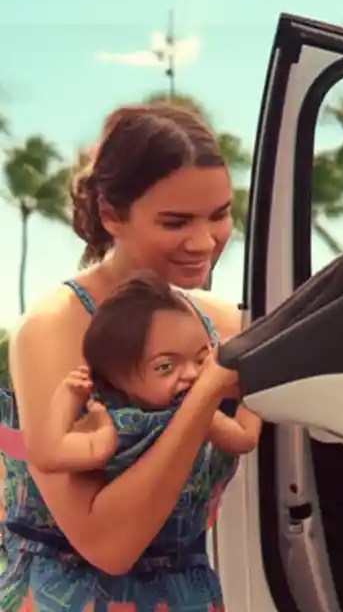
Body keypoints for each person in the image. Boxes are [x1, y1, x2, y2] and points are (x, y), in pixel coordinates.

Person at [0, 102, 249, 609]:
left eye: (219, 215)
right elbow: (108, 546)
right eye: (175, 222)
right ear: (112, 214)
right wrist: (206, 392)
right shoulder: (57, 329)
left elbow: (320, 325)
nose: (204, 242)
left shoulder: (221, 323)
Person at [32, 270, 260, 476]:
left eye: (201, 359)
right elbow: (48, 457)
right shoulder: (114, 425)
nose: (192, 373)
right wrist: (68, 397)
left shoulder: (196, 409)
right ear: (116, 379)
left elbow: (244, 437)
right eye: (165, 367)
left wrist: (244, 372)